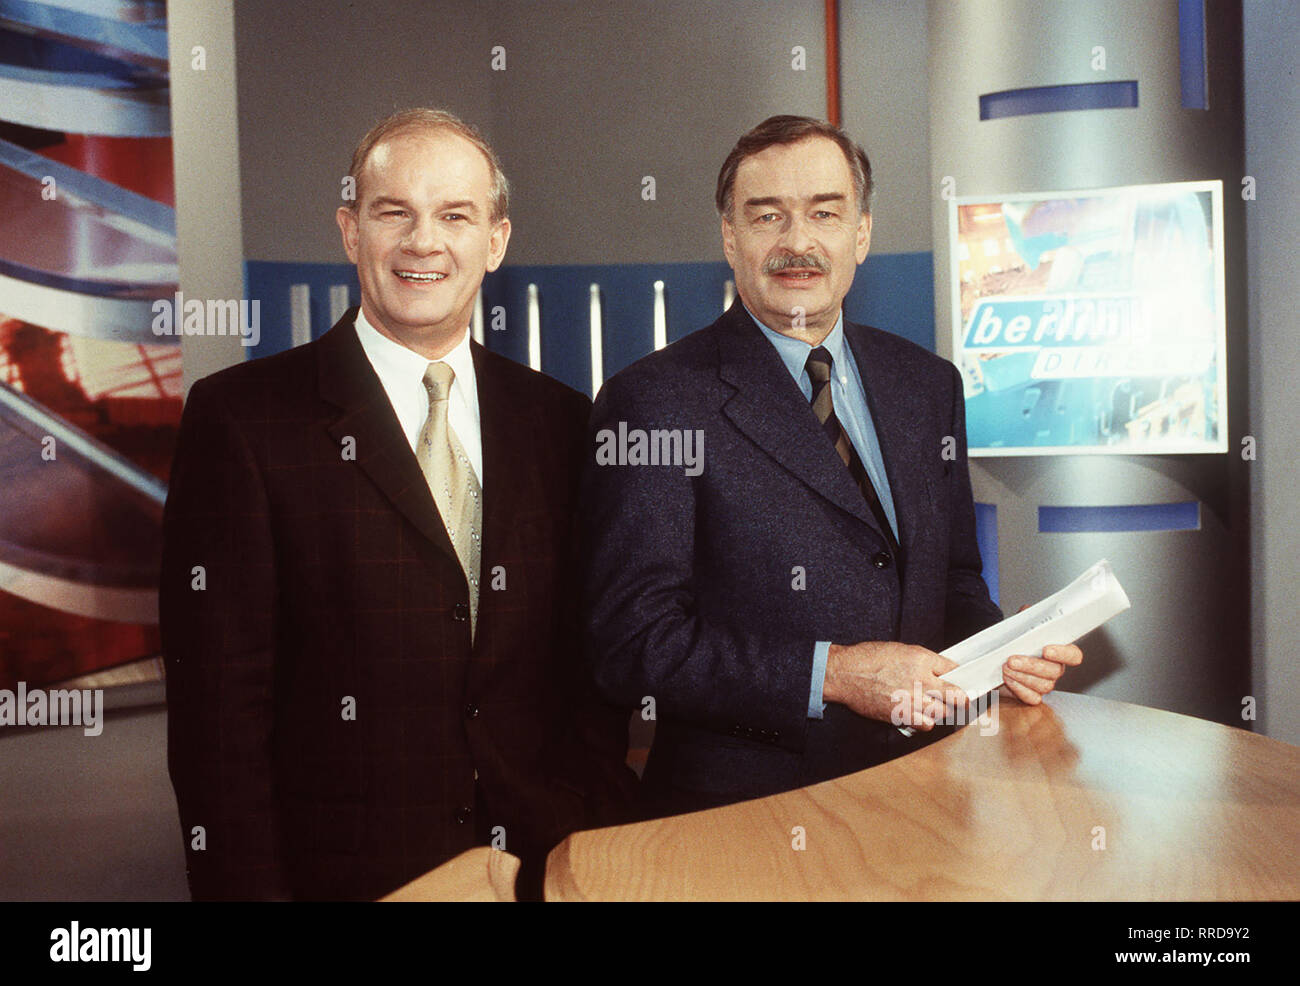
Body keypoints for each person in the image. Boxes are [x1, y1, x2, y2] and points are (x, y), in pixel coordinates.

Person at [162, 108, 635, 900]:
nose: (425, 242)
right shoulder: (243, 420)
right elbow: (217, 722)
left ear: (497, 241)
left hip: (541, 867)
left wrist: (585, 820)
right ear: (351, 231)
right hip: (345, 879)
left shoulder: (559, 420)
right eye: (394, 213)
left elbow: (588, 666)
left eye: (456, 215)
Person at [582, 115, 1082, 817]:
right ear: (730, 238)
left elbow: (954, 581)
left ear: (862, 233)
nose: (798, 241)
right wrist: (835, 674)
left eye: (825, 212)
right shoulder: (656, 401)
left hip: (927, 798)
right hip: (743, 821)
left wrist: (1000, 650)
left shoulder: (927, 386)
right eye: (767, 216)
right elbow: (634, 643)